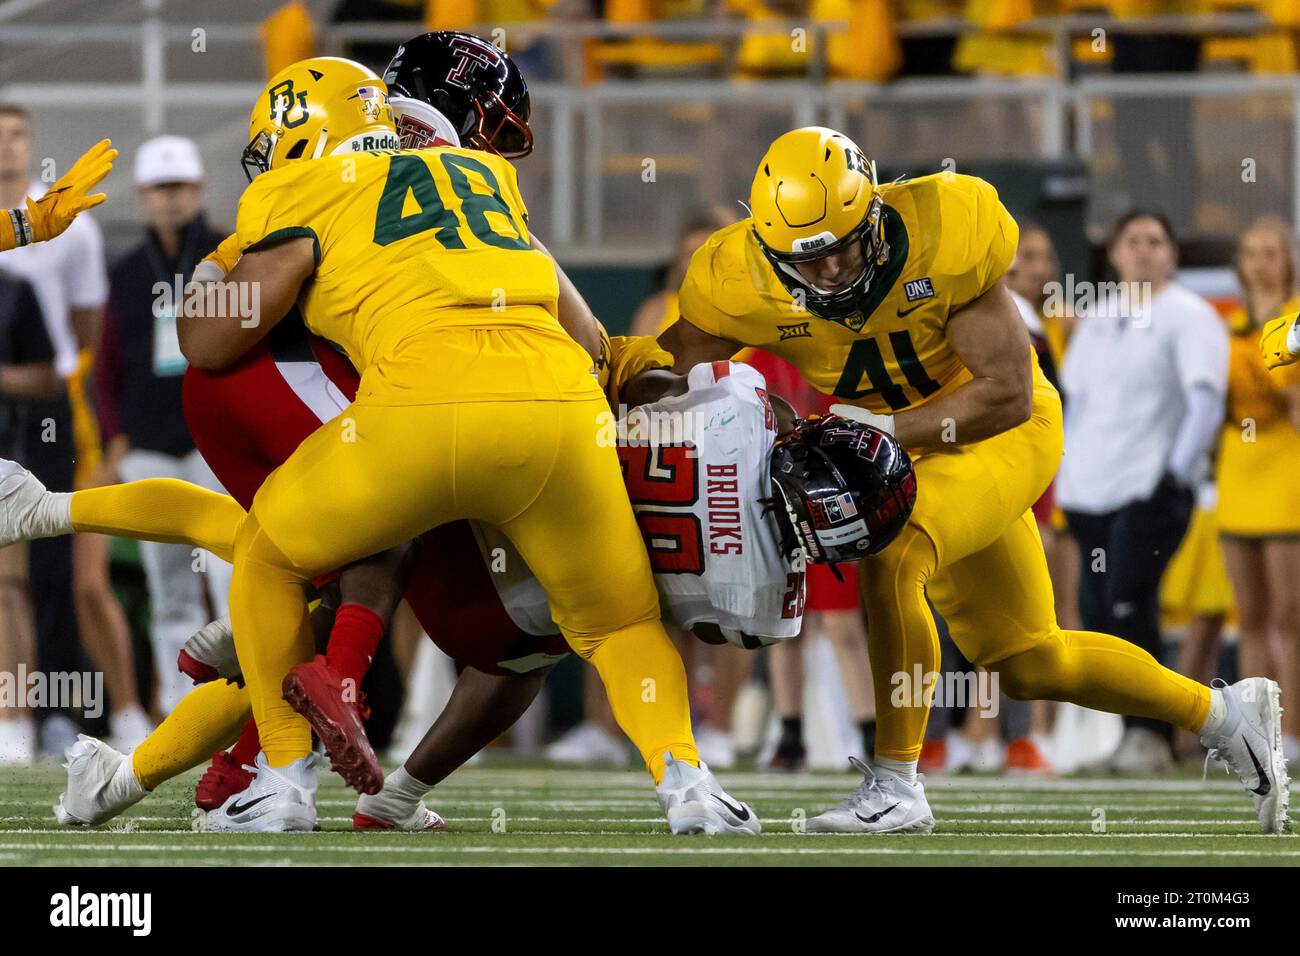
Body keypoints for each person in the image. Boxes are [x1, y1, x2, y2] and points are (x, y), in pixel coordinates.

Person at [173, 54, 759, 836]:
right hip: (557, 412)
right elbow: (589, 341)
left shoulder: (299, 188)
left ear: (298, 136)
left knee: (269, 557)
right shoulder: (486, 180)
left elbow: (208, 342)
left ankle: (281, 784)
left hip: (417, 413)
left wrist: (222, 262)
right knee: (619, 624)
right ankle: (690, 784)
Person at [657, 126, 1289, 834]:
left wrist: (880, 433)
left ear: (872, 213)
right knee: (1028, 660)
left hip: (1002, 435)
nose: (832, 271)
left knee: (893, 552)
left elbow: (1006, 394)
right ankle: (1229, 717)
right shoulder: (739, 278)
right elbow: (668, 364)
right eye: (811, 258)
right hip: (911, 458)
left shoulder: (944, 229)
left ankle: (897, 782)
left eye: (843, 245)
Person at [1058, 210, 1229, 774]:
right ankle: (1132, 732)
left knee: (1132, 605)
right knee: (1099, 613)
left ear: (1173, 253)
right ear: (1115, 253)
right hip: (1089, 491)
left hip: (1148, 488)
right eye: (1134, 240)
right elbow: (1076, 403)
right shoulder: (1098, 315)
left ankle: (1153, 735)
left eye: (1157, 240)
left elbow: (1205, 402)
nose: (1145, 251)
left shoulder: (1190, 316)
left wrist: (1174, 476)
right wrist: (1066, 474)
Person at [0, 104, 140, 755]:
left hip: (48, 412)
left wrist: (28, 223)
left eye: (18, 133)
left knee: (54, 571)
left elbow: (87, 342)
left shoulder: (71, 239)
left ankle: (53, 715)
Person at [96, 135, 232, 715]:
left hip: (217, 443)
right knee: (167, 586)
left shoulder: (230, 256)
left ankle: (244, 708)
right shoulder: (128, 272)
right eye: (160, 188)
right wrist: (115, 439)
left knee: (235, 584)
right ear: (143, 196)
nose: (171, 199)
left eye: (179, 187)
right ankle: (183, 712)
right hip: (150, 444)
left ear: (197, 190)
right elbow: (105, 367)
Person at [1216, 217, 1300, 765]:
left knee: (1289, 615)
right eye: (1250, 251)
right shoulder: (1228, 323)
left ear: (1289, 260)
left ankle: (1291, 733)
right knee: (1248, 614)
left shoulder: (1292, 321)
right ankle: (1254, 734)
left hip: (1285, 466)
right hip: (1236, 467)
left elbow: (1289, 399)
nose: (1260, 262)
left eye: (1271, 251)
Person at [0, 270, 59, 764]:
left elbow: (47, 376)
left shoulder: (15, 289)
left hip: (2, 456)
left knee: (8, 591)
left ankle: (14, 720)